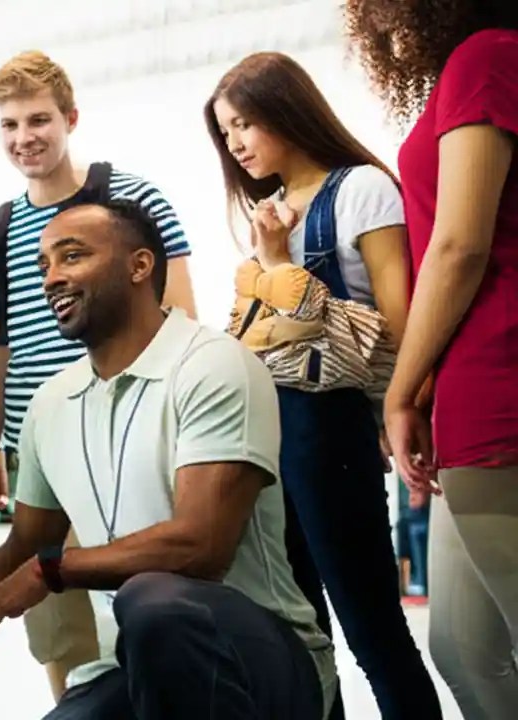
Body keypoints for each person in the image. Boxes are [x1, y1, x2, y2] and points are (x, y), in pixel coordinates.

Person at [0, 200, 336, 720]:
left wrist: (52, 570)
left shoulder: (213, 366)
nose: (52, 279)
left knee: (155, 601)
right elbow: (27, 548)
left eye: (72, 256)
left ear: (139, 265)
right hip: (133, 667)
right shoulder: (51, 403)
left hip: (266, 668)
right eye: (44, 266)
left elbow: (200, 547)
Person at [204, 52, 440, 720]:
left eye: (245, 123)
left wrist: (276, 268)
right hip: (271, 435)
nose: (237, 144)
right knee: (299, 636)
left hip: (331, 429)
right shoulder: (270, 210)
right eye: (226, 133)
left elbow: (400, 323)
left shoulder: (362, 189)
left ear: (287, 109)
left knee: (372, 630)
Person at [0, 50, 197, 699]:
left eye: (38, 119)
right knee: (57, 619)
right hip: (41, 448)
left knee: (149, 601)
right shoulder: (1, 226)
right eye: (9, 125)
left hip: (129, 435)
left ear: (71, 117)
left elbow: (180, 313)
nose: (25, 138)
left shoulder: (132, 198)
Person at [345, 2, 518, 717]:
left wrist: (400, 392)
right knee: (460, 646)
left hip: (496, 383)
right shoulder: (470, 64)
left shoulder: (490, 54)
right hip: (464, 397)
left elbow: (458, 247)